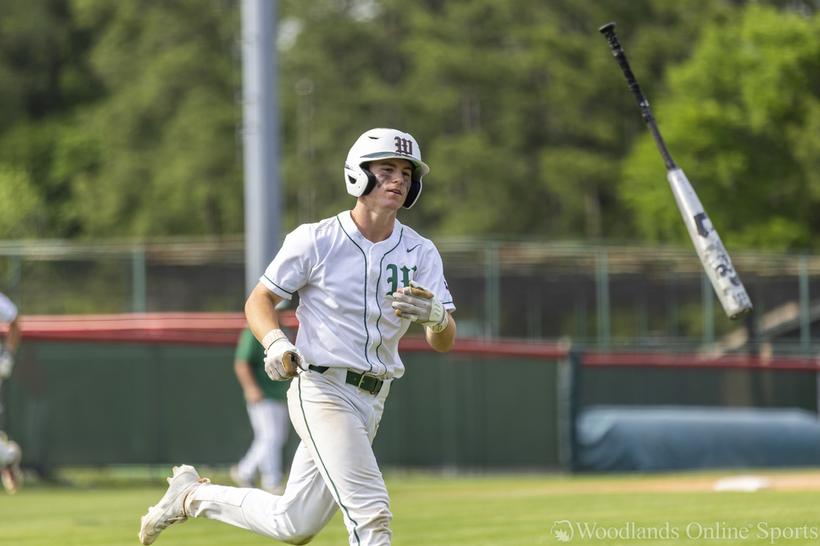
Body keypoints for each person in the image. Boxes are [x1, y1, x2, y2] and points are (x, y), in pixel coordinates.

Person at [139, 128, 456, 546]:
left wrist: (436, 318)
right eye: (386, 169)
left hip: (373, 398)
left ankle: (192, 496)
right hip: (322, 387)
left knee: (295, 523)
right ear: (359, 175)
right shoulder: (317, 239)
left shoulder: (420, 252)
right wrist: (275, 342)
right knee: (371, 513)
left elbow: (445, 339)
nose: (398, 180)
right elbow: (259, 301)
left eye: (406, 173)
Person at [230, 327, 290, 493]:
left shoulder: (283, 330)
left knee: (275, 438)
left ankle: (245, 471)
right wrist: (251, 388)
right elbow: (242, 363)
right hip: (262, 394)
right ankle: (271, 480)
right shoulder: (252, 331)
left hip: (279, 394)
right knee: (270, 437)